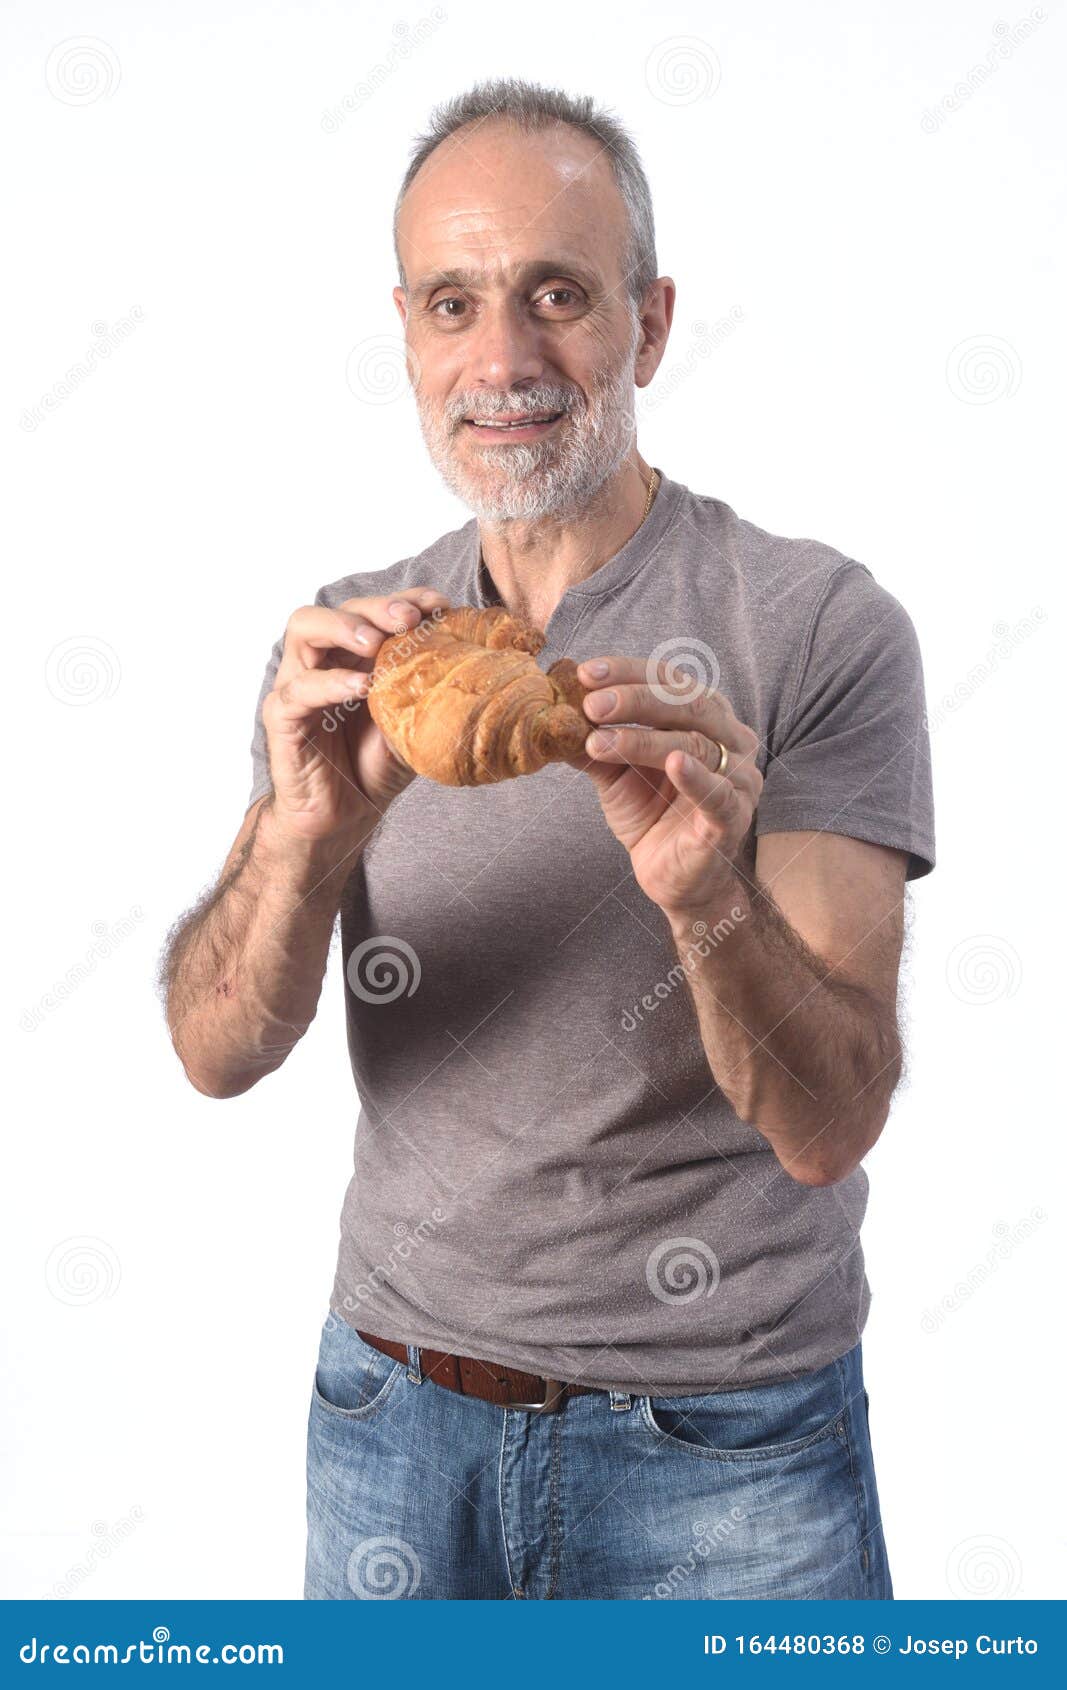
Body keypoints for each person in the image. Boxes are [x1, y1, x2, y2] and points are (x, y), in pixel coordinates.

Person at [161, 78, 935, 1601]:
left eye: (556, 296)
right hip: (392, 1413)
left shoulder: (814, 625)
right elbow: (214, 1047)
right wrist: (305, 834)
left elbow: (831, 1118)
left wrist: (705, 892)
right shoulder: (358, 649)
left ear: (647, 327)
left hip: (726, 1449)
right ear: (407, 336)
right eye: (455, 304)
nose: (503, 360)